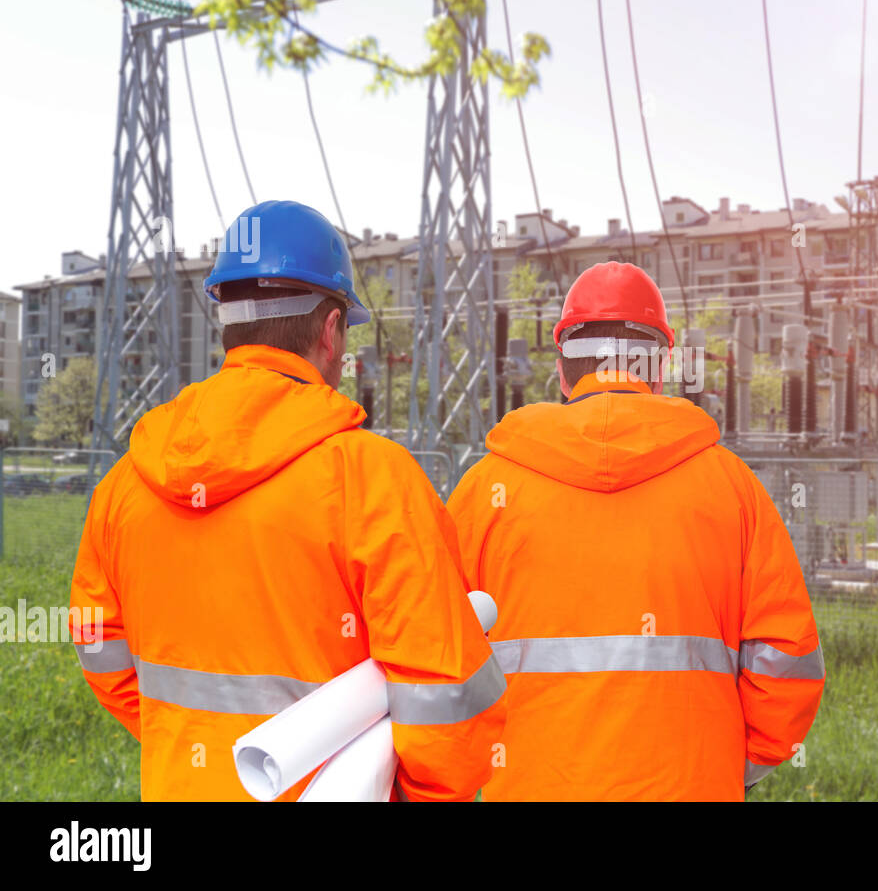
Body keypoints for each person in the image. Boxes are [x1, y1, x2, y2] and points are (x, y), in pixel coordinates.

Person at [69, 200, 505, 801]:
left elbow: (99, 647)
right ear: (330, 330)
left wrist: (194, 749)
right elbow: (445, 695)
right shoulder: (373, 480)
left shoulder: (125, 484)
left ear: (228, 321)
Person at [447, 261, 823, 800]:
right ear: (660, 366)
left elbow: (435, 661)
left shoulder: (486, 491)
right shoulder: (731, 486)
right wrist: (730, 764)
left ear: (562, 370)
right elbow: (787, 661)